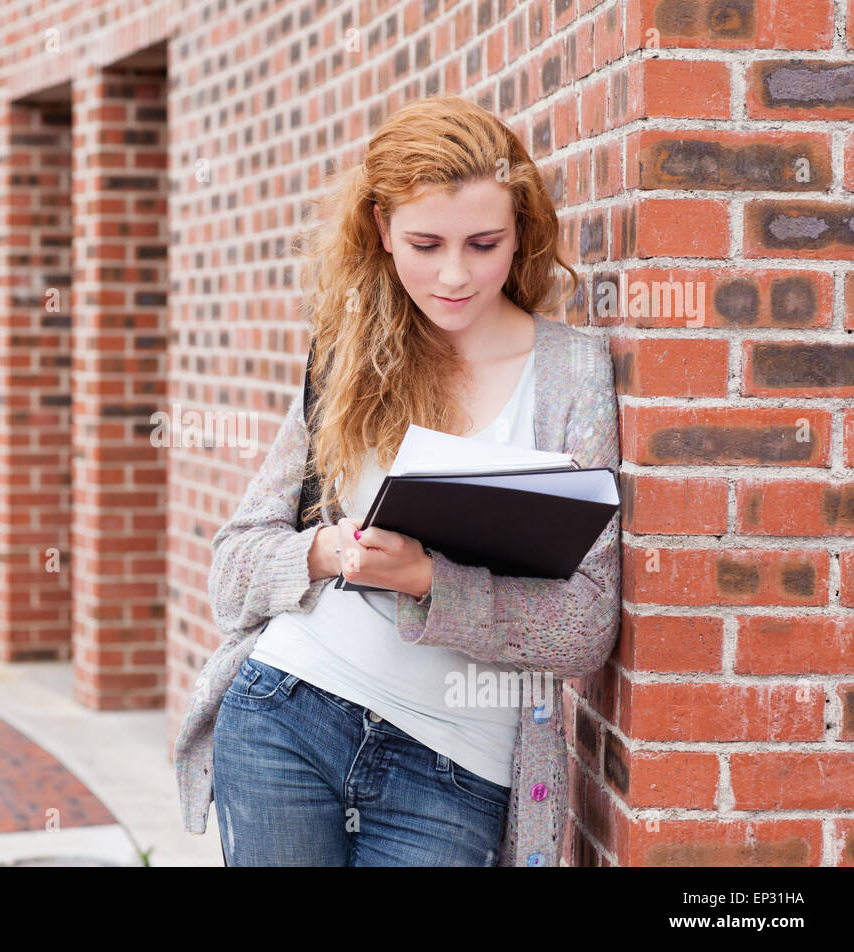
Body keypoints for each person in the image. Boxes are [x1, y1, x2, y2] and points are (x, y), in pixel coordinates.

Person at [172, 94, 622, 867]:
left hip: (456, 772)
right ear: (382, 230)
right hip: (287, 717)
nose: (454, 275)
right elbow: (232, 570)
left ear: (522, 234)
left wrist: (428, 582)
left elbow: (585, 626)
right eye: (425, 243)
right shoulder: (349, 359)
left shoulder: (572, 372)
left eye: (484, 243)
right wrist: (324, 552)